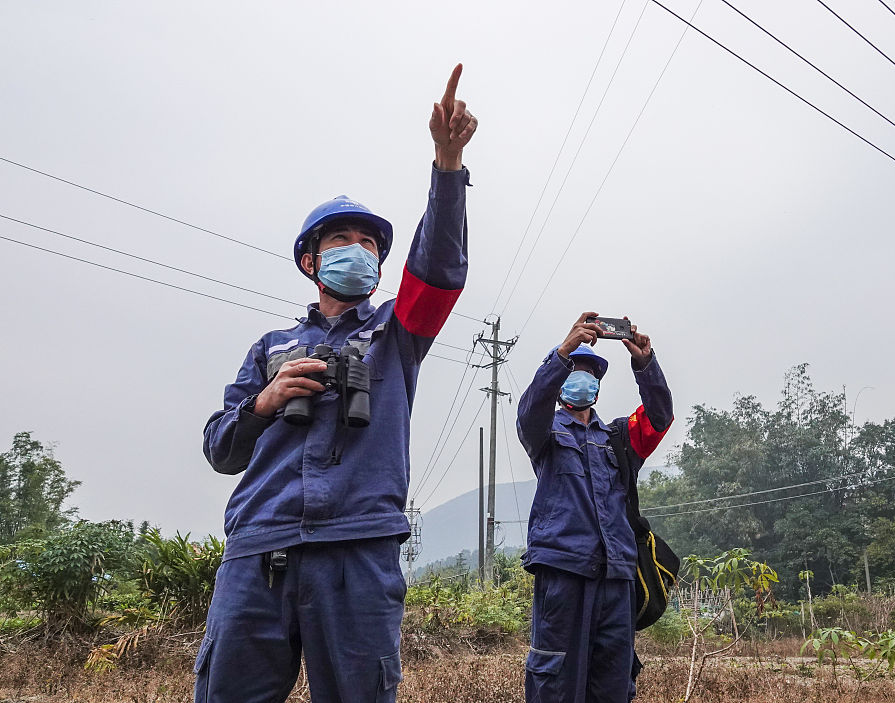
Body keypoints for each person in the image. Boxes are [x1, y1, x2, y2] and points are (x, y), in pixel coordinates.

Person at [196, 65, 477, 703]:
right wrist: (266, 402)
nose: (360, 250)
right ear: (311, 260)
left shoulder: (398, 334)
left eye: (370, 245)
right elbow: (220, 450)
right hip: (259, 548)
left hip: (357, 548)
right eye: (343, 240)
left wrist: (448, 165)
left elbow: (439, 270)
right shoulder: (269, 347)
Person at [516, 312, 674, 702]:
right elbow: (530, 411)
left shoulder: (618, 437)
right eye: (574, 371)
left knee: (613, 685)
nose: (581, 378)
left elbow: (659, 417)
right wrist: (563, 352)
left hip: (617, 578)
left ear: (598, 388)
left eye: (589, 374)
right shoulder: (545, 433)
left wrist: (645, 364)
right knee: (556, 682)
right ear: (559, 384)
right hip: (564, 574)